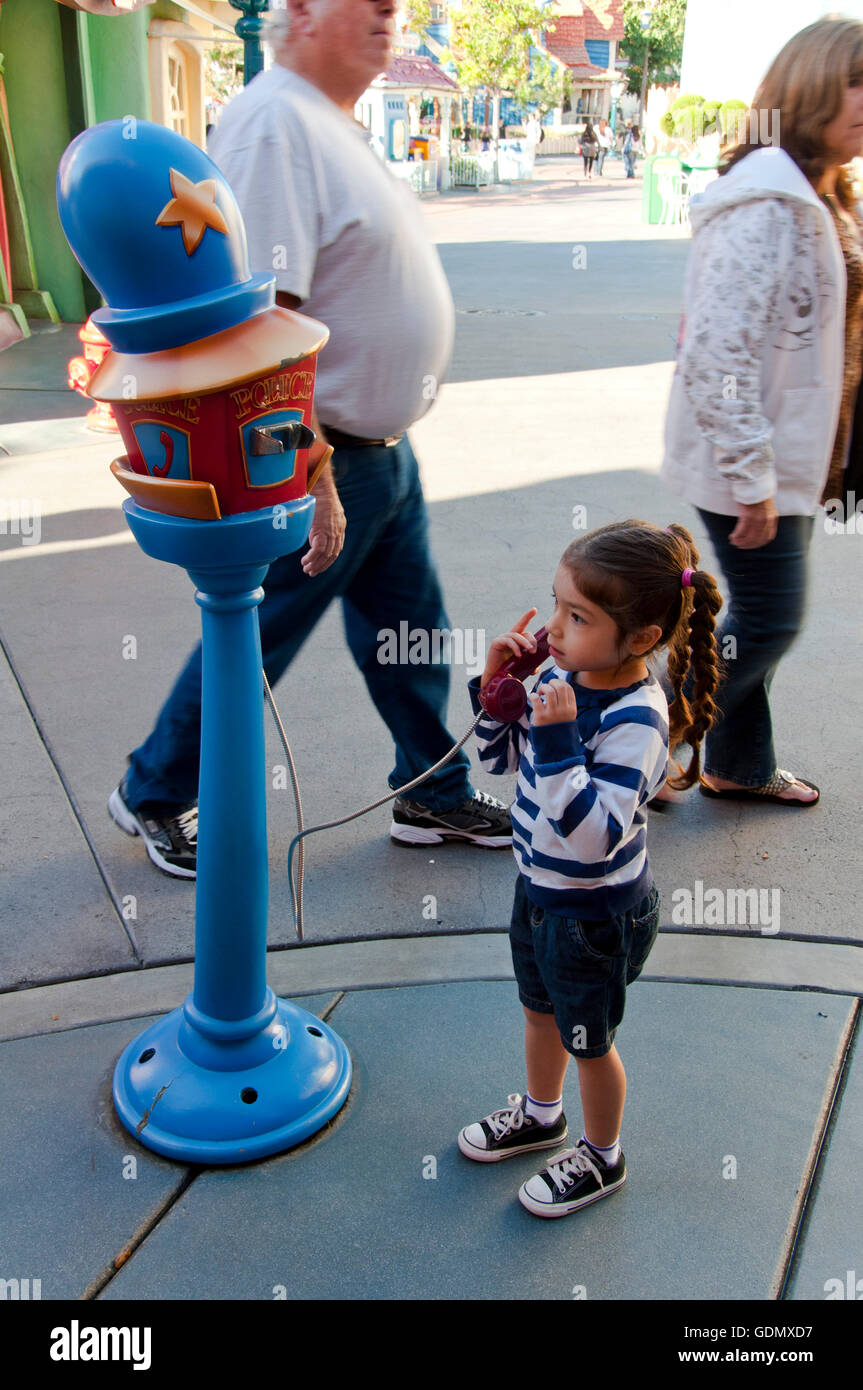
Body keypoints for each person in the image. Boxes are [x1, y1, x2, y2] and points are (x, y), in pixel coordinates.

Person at [108, 0, 512, 878]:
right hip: (317, 453)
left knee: (410, 631)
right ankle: (153, 792)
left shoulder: (324, 121)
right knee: (254, 634)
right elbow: (263, 325)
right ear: (297, 12)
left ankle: (430, 792)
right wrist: (312, 468)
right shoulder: (276, 124)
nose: (387, 10)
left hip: (375, 451)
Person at [457, 521, 722, 1217]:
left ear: (640, 639)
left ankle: (603, 1156)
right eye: (556, 606)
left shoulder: (636, 720)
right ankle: (543, 1115)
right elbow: (501, 763)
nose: (555, 628)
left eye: (578, 617)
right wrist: (496, 695)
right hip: (537, 892)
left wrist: (550, 738)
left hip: (594, 915)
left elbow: (591, 838)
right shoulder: (559, 673)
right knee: (538, 1013)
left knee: (589, 1042)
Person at [660, 14, 863, 808]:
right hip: (754, 460)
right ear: (812, 86)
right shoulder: (765, 204)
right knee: (771, 619)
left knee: (759, 615)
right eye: (858, 84)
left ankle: (736, 765)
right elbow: (715, 355)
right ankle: (639, 741)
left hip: (794, 454)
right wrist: (752, 477)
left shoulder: (818, 191)